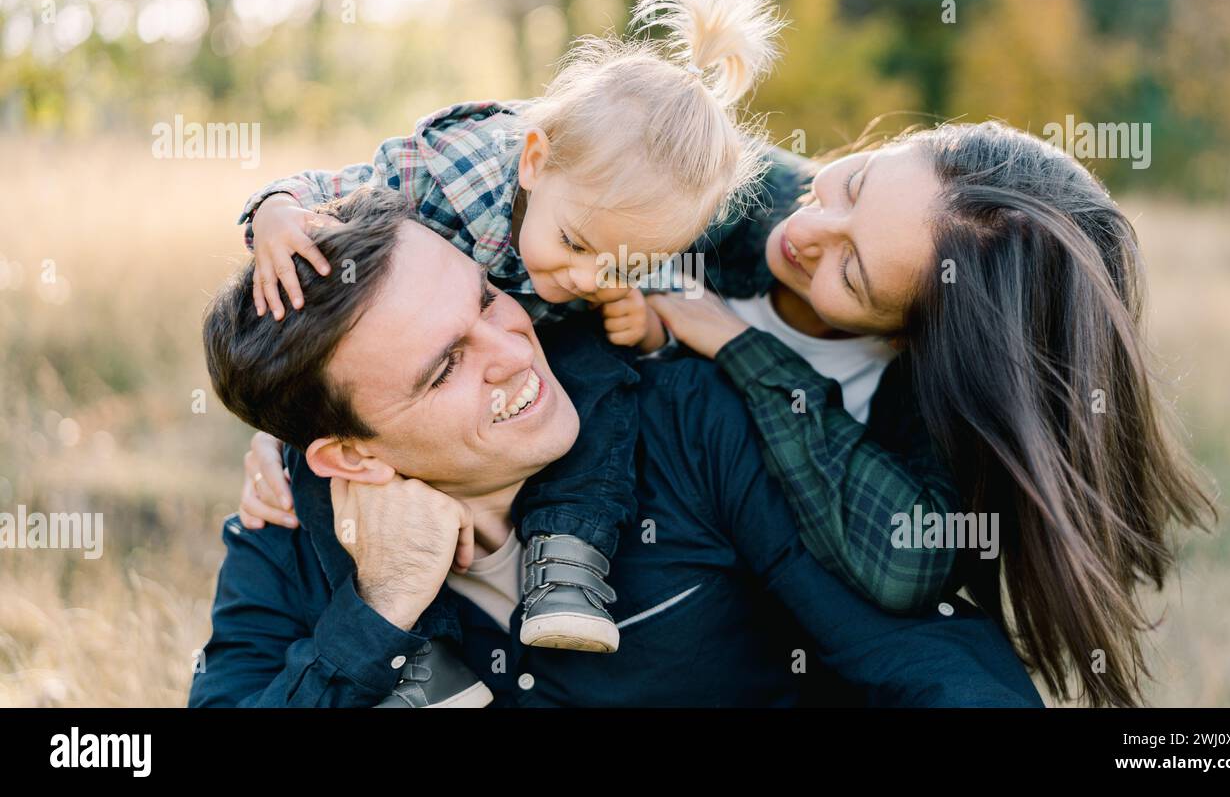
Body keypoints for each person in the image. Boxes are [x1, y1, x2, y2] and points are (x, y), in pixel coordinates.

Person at [191, 187, 1041, 707]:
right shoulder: (287, 533)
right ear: (352, 457)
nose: (515, 351)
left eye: (487, 301)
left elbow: (922, 656)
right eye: (447, 365)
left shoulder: (687, 422)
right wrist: (376, 611)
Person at [229, 0, 785, 657]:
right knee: (334, 462)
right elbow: (332, 193)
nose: (593, 277)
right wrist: (274, 211)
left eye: (628, 263)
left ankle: (568, 565)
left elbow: (660, 295)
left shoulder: (619, 230)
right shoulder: (448, 174)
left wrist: (644, 321)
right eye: (580, 246)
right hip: (416, 363)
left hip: (534, 349)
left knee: (603, 391)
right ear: (533, 160)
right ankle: (408, 656)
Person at [647, 122, 1218, 707]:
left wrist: (739, 346)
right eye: (858, 183)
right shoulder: (719, 172)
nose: (809, 229)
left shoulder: (914, 406)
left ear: (908, 339)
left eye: (850, 273)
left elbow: (907, 562)